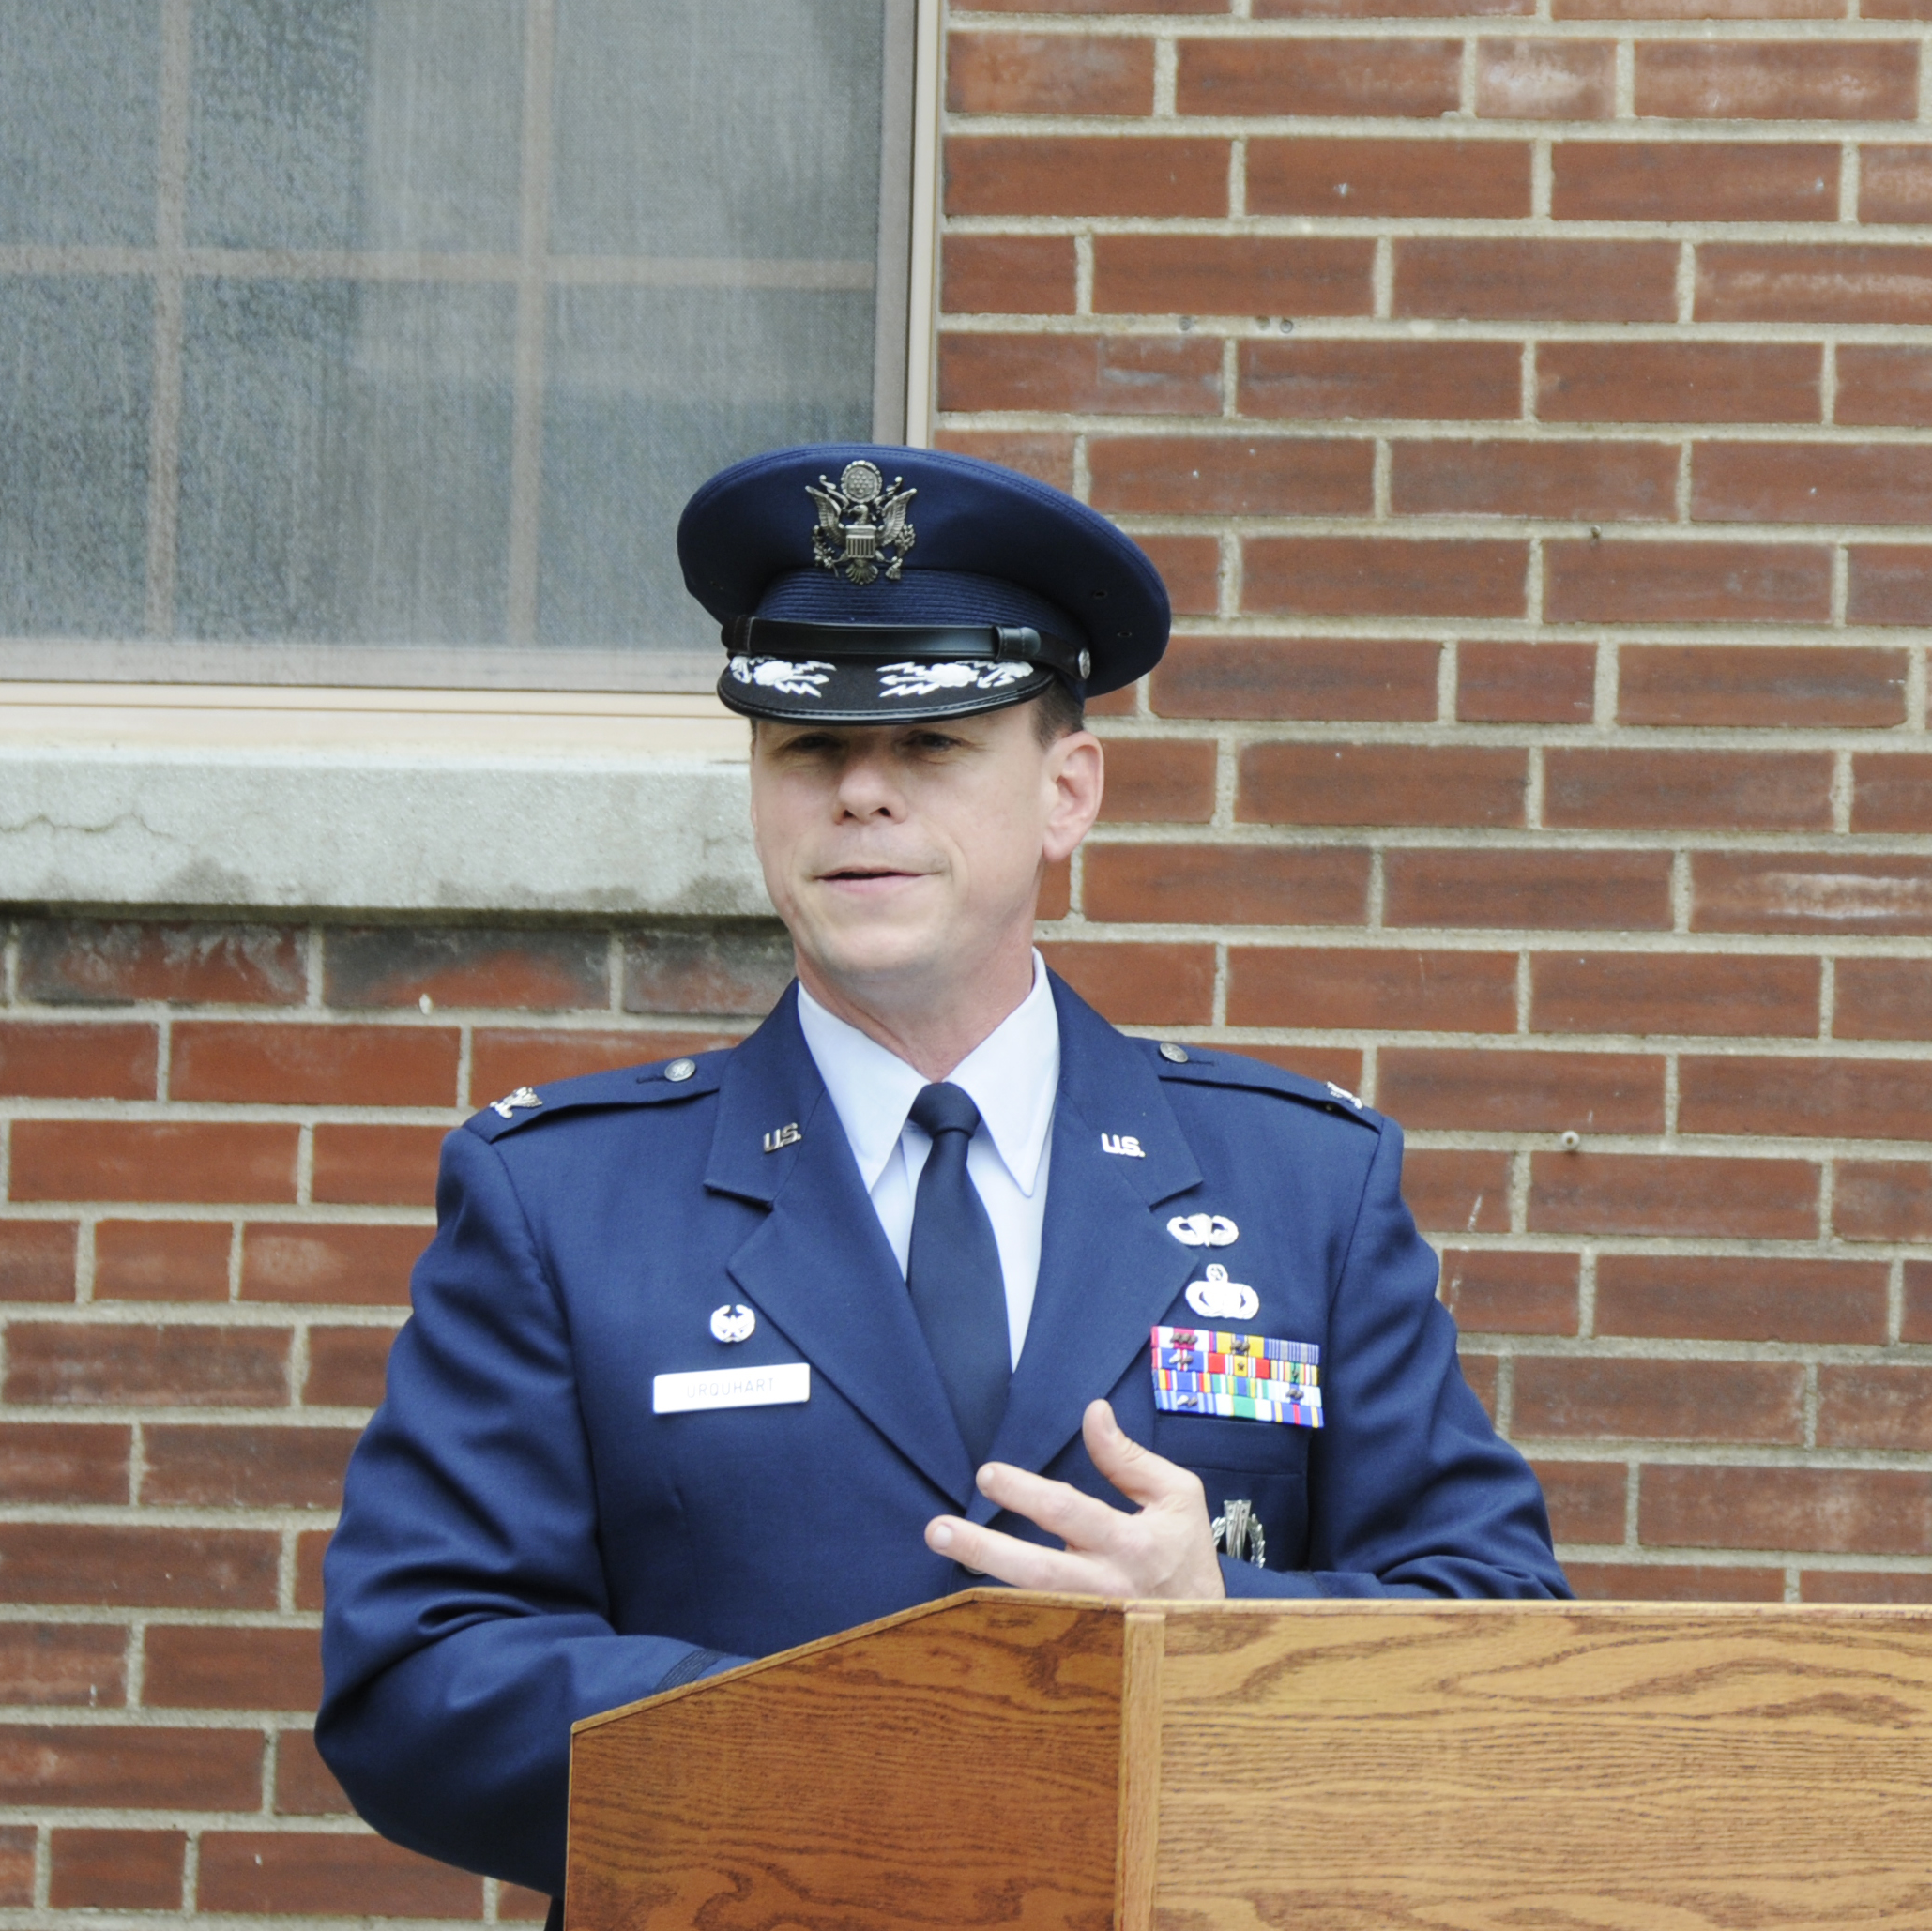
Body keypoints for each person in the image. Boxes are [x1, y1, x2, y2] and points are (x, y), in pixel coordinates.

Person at [316, 444, 1568, 1901]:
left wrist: (1224, 1616)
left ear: (1067, 793)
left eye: (930, 745)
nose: (861, 793)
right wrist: (855, 1748)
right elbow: (419, 1679)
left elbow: (1502, 1638)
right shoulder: (564, 1202)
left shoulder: (1301, 1185)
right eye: (806, 749)